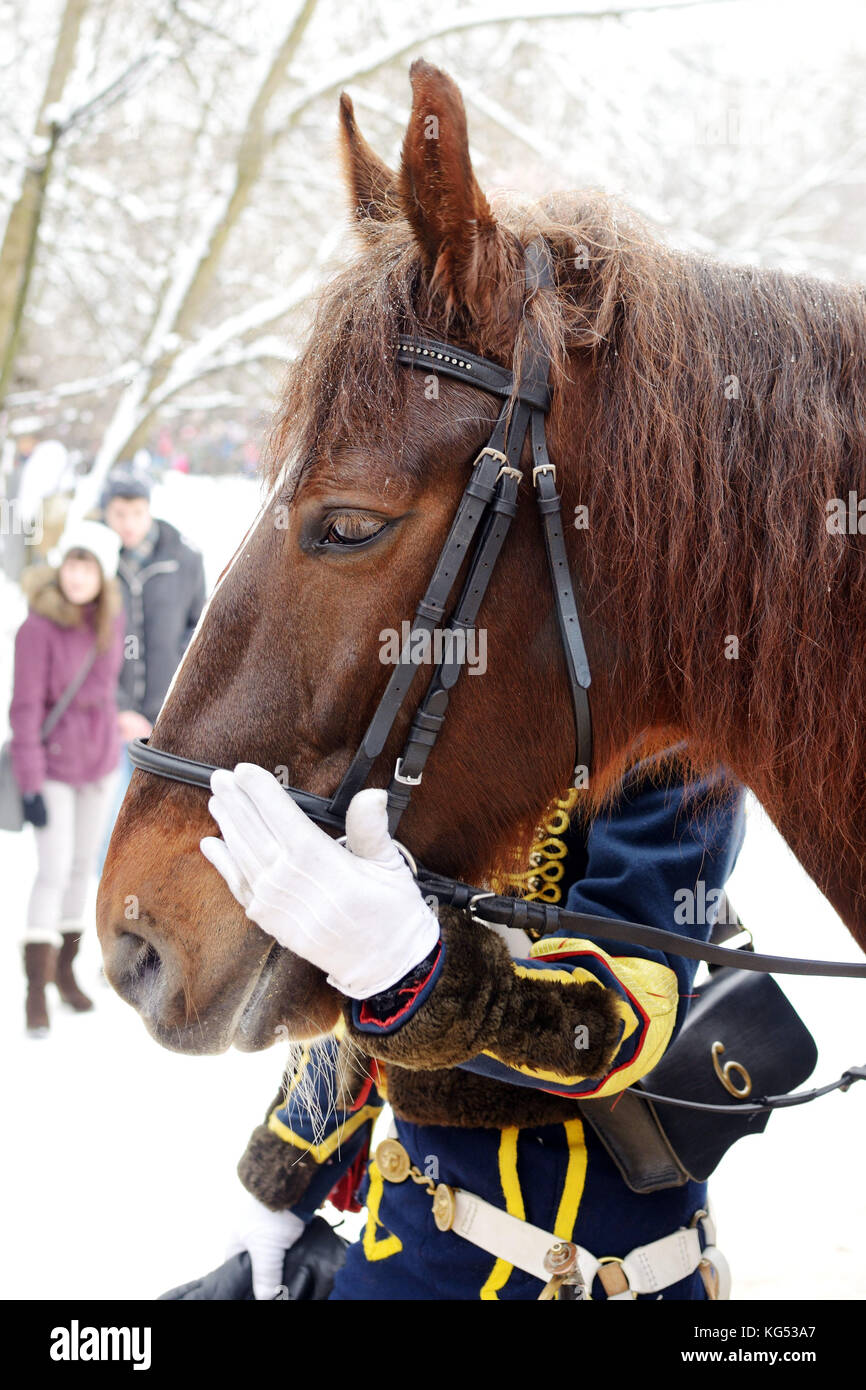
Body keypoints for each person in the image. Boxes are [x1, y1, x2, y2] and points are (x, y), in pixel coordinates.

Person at [198, 755, 746, 1301]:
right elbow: (355, 984)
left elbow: (618, 1020)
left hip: (593, 1253)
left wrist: (409, 975)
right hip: (404, 1238)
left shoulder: (663, 724)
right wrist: (283, 1182)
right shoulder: (423, 706)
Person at [9, 522, 125, 1036]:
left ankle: (65, 972)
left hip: (97, 764)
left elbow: (109, 690)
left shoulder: (109, 618)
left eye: (88, 566)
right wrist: (30, 783)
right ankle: (35, 986)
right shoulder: (36, 628)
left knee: (82, 868)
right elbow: (25, 709)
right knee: (52, 871)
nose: (77, 576)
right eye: (71, 564)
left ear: (103, 574)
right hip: (52, 767)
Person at [97, 465, 207, 871]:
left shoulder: (184, 557)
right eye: (119, 515)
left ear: (149, 510)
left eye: (136, 513)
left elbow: (197, 630)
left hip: (167, 717)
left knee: (158, 816)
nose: (127, 524)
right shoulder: (101, 561)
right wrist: (119, 708)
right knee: (107, 824)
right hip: (111, 717)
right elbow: (92, 644)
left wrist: (172, 701)